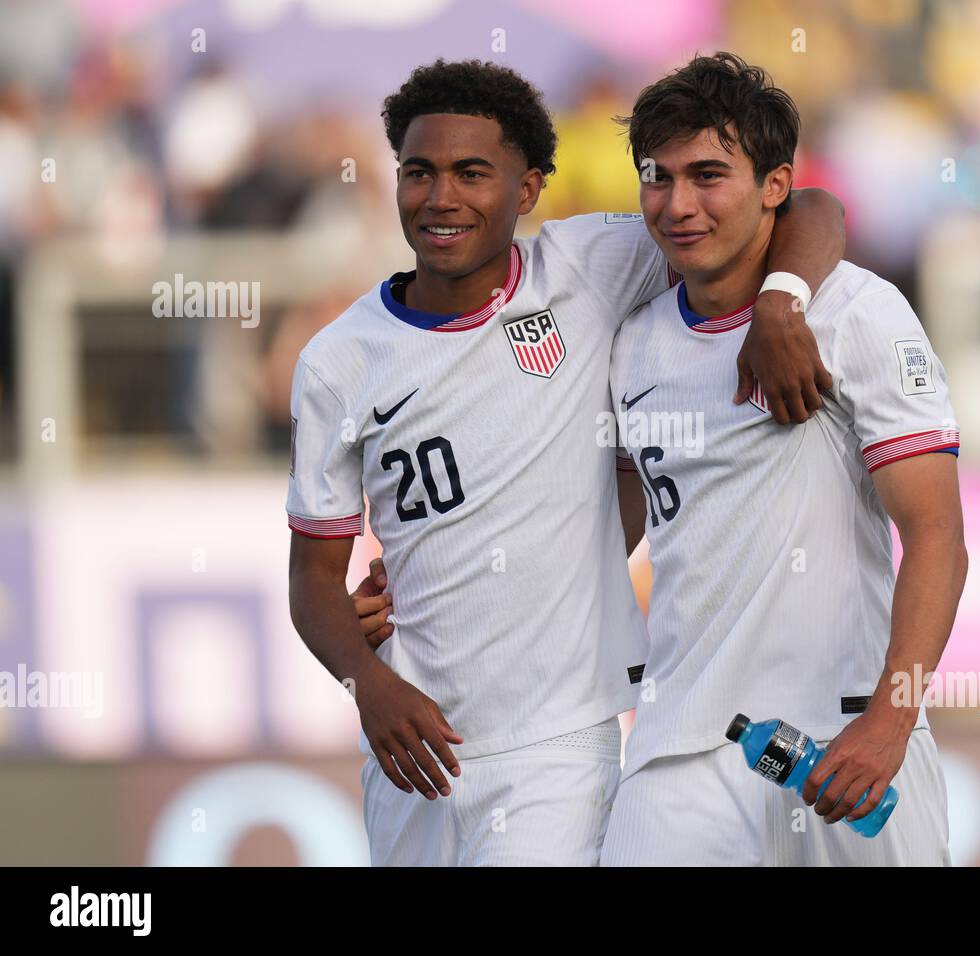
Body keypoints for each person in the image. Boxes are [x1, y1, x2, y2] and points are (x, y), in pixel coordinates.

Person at [288, 58, 845, 867]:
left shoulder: (594, 266)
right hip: (409, 748)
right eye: (419, 172)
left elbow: (810, 208)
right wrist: (366, 684)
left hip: (558, 747)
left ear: (528, 189)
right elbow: (312, 581)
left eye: (472, 172)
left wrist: (782, 298)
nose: (441, 197)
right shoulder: (338, 361)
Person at [598, 52, 965, 865]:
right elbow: (605, 536)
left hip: (837, 741)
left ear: (774, 186)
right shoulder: (630, 342)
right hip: (678, 751)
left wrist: (889, 721)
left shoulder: (859, 313)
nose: (677, 203)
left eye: (708, 175)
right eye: (657, 177)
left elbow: (937, 534)